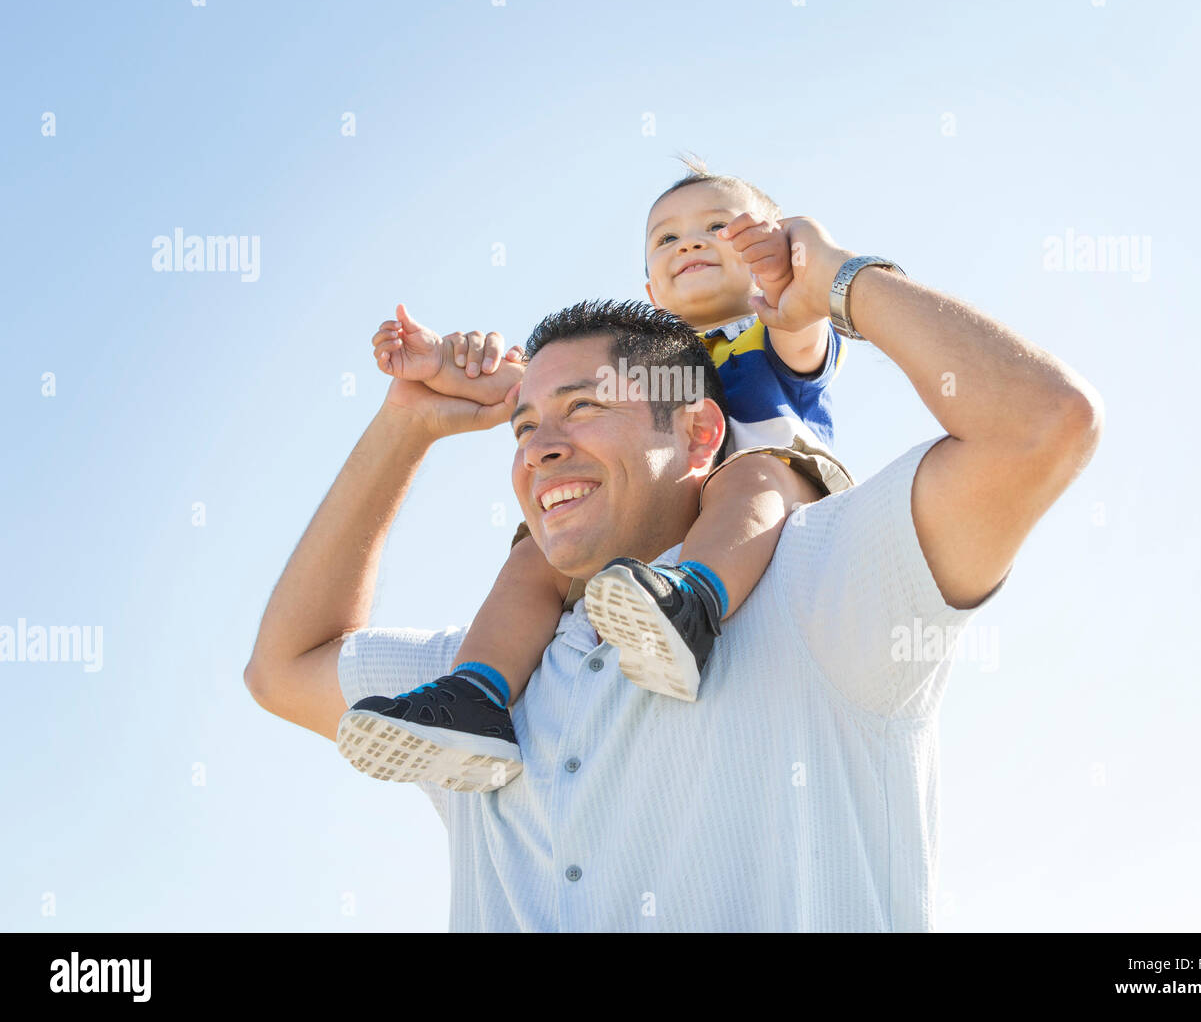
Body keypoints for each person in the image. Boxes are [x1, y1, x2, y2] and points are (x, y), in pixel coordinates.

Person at [245, 210, 1103, 931]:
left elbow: (1043, 426)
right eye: (524, 428)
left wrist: (840, 280)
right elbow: (284, 667)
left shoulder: (821, 585)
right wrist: (409, 424)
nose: (540, 447)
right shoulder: (480, 678)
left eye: (584, 407)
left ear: (698, 434)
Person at [336, 164, 861, 791]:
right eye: (666, 239)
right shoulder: (652, 361)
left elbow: (803, 324)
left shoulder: (775, 331)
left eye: (717, 226)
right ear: (651, 289)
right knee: (534, 554)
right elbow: (549, 392)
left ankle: (692, 607)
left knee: (750, 475)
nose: (689, 243)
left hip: (783, 491)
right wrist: (449, 369)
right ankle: (476, 694)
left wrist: (795, 276)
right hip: (679, 504)